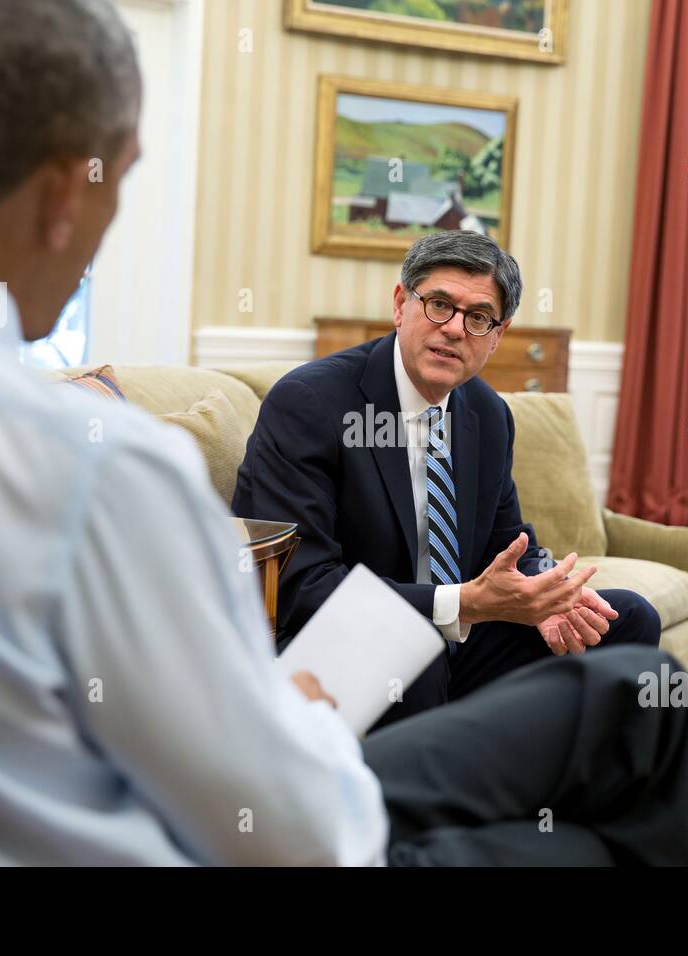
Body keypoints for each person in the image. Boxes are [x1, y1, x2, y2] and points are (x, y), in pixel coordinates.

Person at [0, 0, 688, 866]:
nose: (456, 328)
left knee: (622, 675)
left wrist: (525, 592)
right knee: (623, 778)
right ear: (69, 189)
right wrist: (286, 704)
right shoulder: (92, 468)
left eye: (480, 317)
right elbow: (295, 826)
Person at [233, 230, 660, 726]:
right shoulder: (311, 403)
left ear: (498, 335)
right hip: (333, 649)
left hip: (451, 642)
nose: (455, 329)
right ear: (401, 304)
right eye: (439, 304)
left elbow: (507, 543)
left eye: (478, 318)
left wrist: (545, 594)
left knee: (627, 619)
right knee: (416, 645)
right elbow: (300, 585)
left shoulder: (487, 415)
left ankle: (555, 793)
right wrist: (457, 604)